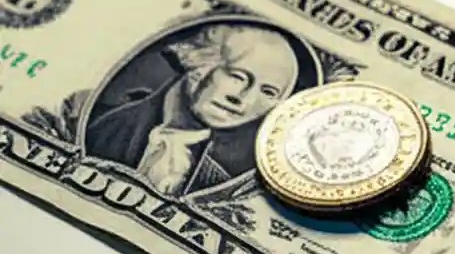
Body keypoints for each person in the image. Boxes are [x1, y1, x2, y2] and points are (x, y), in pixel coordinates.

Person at [85, 23, 301, 196]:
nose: (243, 99)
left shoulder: (224, 185)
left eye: (269, 92)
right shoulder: (106, 128)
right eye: (237, 77)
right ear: (197, 63)